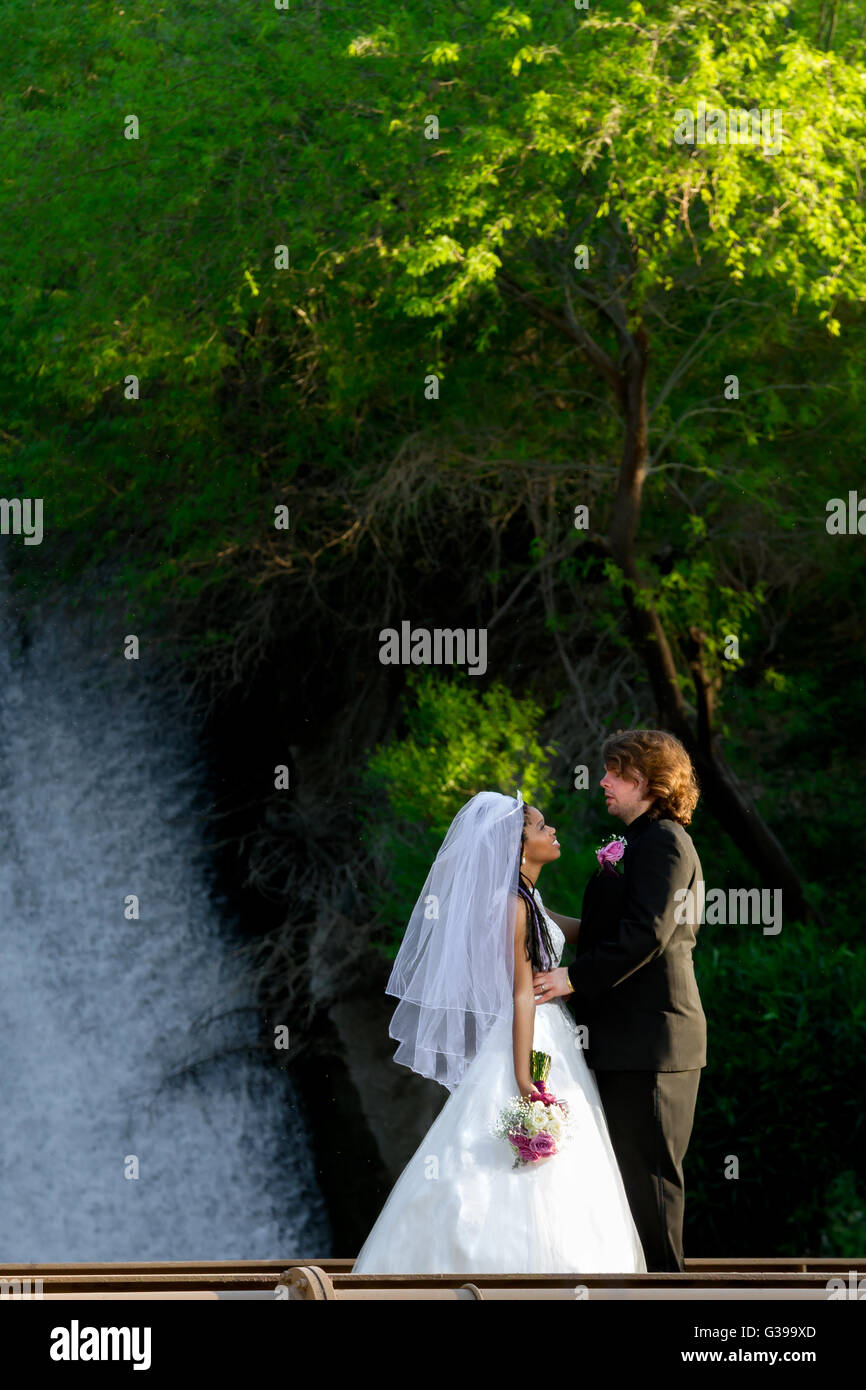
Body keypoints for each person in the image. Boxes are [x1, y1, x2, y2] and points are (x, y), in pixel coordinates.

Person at [352, 789, 646, 1274]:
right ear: (516, 847)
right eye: (539, 827)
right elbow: (519, 994)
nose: (552, 832)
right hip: (528, 1036)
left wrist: (616, 886)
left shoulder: (529, 898)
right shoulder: (512, 906)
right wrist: (524, 1076)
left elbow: (580, 932)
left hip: (549, 1031)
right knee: (511, 1150)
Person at [532, 729, 707, 1273]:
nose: (603, 781)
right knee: (627, 1186)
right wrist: (530, 908)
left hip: (653, 1042)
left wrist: (572, 980)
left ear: (650, 783)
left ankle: (669, 1298)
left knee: (651, 1186)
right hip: (625, 1043)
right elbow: (614, 929)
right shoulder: (641, 841)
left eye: (617, 773)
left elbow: (648, 935)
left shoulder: (665, 842)